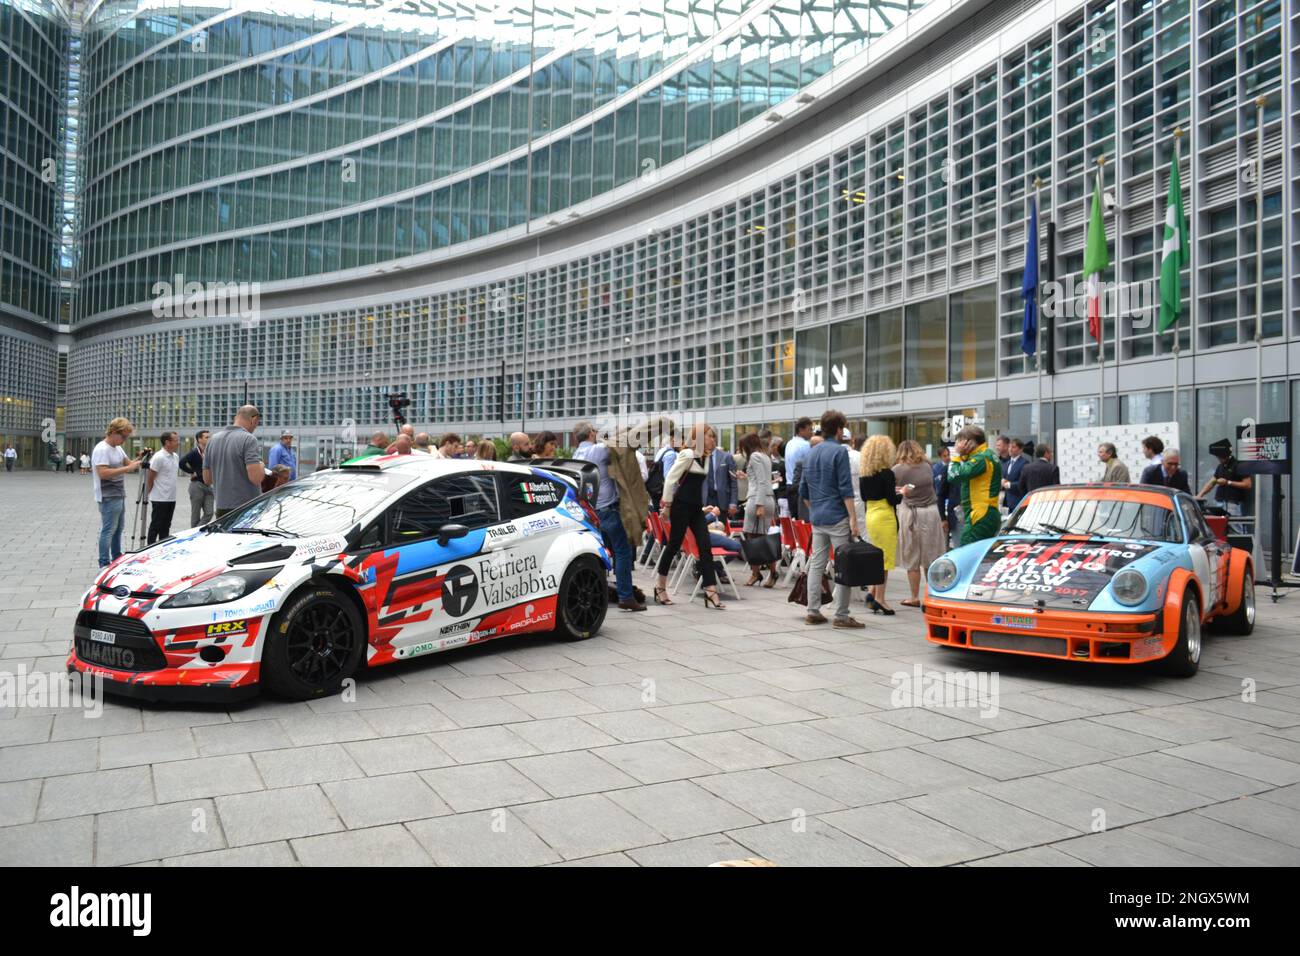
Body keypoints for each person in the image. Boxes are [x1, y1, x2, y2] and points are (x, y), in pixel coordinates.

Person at [799, 411, 864, 629]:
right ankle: (841, 615)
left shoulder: (811, 453)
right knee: (843, 565)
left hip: (818, 516)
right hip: (837, 515)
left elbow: (804, 491)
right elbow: (846, 489)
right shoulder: (839, 452)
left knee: (816, 564)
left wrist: (816, 508)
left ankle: (813, 610)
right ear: (839, 429)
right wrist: (853, 520)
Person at [655, 422, 727, 609]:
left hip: (696, 508)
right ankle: (660, 587)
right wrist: (668, 506)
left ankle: (710, 590)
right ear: (701, 437)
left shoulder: (706, 458)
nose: (713, 440)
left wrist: (704, 508)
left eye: (713, 437)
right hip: (680, 506)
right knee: (673, 546)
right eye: (710, 436)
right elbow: (670, 479)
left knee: (705, 546)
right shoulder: (687, 454)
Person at [893, 440, 946, 608]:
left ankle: (914, 596)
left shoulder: (897, 470)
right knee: (932, 555)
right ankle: (932, 595)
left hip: (911, 514)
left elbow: (893, 492)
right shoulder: (928, 465)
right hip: (931, 512)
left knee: (912, 557)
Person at [92, 418, 144, 566]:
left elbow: (129, 464)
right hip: (108, 495)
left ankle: (116, 558)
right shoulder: (102, 449)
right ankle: (104, 562)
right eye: (124, 436)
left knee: (118, 529)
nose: (124, 440)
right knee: (108, 530)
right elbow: (103, 473)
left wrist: (140, 458)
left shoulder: (117, 448)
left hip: (119, 493)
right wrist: (128, 469)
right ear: (114, 432)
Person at [859, 434, 900, 615]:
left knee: (877, 556)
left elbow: (864, 497)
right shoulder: (887, 473)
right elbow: (892, 499)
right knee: (885, 559)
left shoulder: (864, 474)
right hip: (884, 516)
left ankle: (872, 593)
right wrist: (902, 493)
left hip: (871, 514)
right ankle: (880, 599)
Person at [204, 405, 264, 518]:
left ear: (236, 417)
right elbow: (256, 478)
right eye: (257, 424)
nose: (255, 427)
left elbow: (207, 479)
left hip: (221, 507)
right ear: (254, 419)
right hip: (246, 508)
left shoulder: (212, 440)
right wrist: (261, 465)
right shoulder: (249, 439)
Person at [947, 425, 1002, 546]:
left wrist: (956, 456)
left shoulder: (981, 458)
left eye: (960, 441)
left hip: (980, 513)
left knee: (968, 550)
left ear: (969, 442)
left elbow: (953, 476)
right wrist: (963, 455)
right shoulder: (987, 454)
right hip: (986, 512)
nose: (957, 445)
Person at [739, 431, 778, 588]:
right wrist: (746, 476)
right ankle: (768, 572)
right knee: (762, 539)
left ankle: (757, 573)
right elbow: (762, 479)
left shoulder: (754, 456)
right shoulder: (764, 456)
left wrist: (759, 505)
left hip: (757, 500)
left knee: (752, 539)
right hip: (766, 498)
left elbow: (761, 481)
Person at [1198, 438, 1252, 515]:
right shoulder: (1220, 467)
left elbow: (1248, 484)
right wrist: (1200, 495)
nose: (1218, 459)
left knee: (1234, 525)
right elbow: (1211, 482)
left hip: (1232, 503)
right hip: (1219, 502)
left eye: (1219, 457)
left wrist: (1228, 482)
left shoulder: (1239, 465)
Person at [145, 431, 181, 544]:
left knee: (166, 526)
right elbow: (150, 477)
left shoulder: (175, 456)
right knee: (156, 525)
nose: (178, 443)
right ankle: (149, 548)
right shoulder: (158, 457)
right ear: (167, 442)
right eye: (176, 441)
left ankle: (163, 547)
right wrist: (149, 493)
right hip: (159, 498)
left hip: (171, 497)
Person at [179, 429, 214, 527]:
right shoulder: (194, 452)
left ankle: (196, 531)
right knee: (195, 514)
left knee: (209, 513)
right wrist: (192, 472)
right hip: (197, 485)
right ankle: (194, 535)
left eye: (210, 437)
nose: (209, 439)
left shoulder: (210, 452)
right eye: (207, 437)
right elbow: (181, 463)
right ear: (199, 439)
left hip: (208, 486)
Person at [702, 426, 738, 521]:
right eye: (708, 437)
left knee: (721, 527)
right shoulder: (699, 457)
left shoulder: (726, 457)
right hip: (705, 499)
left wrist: (733, 503)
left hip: (722, 500)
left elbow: (733, 482)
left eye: (713, 437)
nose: (711, 440)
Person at [784, 417, 813, 513]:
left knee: (794, 520)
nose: (811, 432)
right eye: (809, 429)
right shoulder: (805, 445)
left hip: (789, 486)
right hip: (800, 487)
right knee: (804, 520)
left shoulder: (789, 443)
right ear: (801, 429)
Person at [1001, 437, 1030, 511]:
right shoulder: (1006, 463)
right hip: (1007, 502)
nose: (1010, 449)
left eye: (1013, 447)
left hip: (1018, 500)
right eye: (1009, 447)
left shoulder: (1024, 463)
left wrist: (1009, 485)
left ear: (1020, 450)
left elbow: (1024, 483)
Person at [847, 432, 866, 534]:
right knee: (862, 530)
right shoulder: (864, 458)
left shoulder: (847, 456)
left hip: (847, 499)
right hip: (861, 499)